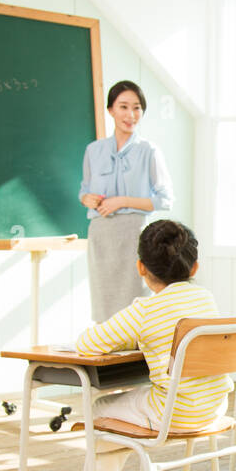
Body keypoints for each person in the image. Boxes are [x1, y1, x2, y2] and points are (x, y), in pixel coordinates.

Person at [73, 220, 231, 471]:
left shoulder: (144, 311)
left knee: (99, 408)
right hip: (213, 408)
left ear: (140, 267)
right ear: (194, 268)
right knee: (120, 412)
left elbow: (89, 343)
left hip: (174, 412)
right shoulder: (205, 299)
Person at [80, 81, 174, 323]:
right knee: (103, 307)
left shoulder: (149, 151)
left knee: (134, 306)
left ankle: (133, 358)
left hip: (133, 234)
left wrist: (122, 201)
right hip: (101, 235)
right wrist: (86, 199)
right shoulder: (93, 150)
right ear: (110, 110)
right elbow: (84, 191)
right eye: (123, 107)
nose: (130, 115)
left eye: (137, 108)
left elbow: (165, 199)